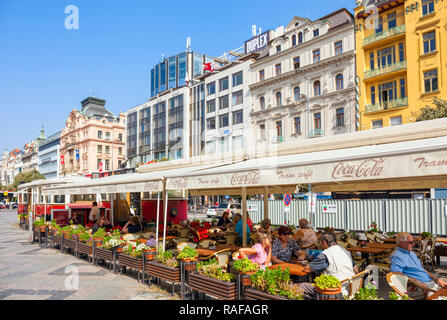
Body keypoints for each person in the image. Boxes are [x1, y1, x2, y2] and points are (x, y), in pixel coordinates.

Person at [299, 232, 357, 299]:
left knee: (301, 286)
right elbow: (356, 269)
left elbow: (307, 269)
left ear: (324, 242)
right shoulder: (344, 251)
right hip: (350, 288)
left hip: (334, 291)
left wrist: (311, 262)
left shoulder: (326, 255)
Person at [390, 232, 447, 299]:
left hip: (429, 283)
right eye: (410, 242)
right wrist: (417, 282)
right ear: (401, 243)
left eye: (414, 241)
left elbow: (421, 269)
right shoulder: (397, 256)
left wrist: (436, 278)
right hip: (419, 287)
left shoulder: (411, 253)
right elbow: (396, 274)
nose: (414, 244)